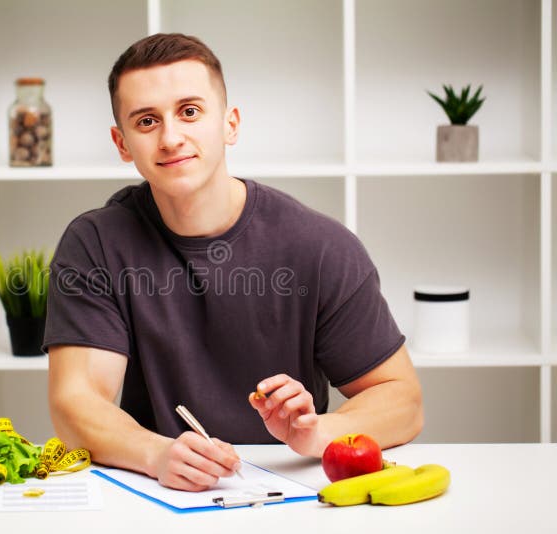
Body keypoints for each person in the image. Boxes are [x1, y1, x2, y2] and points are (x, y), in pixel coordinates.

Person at [43, 33, 423, 492]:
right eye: (146, 121)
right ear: (122, 143)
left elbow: (403, 400)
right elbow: (76, 401)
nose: (171, 137)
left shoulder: (319, 245)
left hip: (294, 490)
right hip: (159, 491)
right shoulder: (97, 243)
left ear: (230, 124)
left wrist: (315, 431)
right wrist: (156, 453)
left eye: (189, 111)